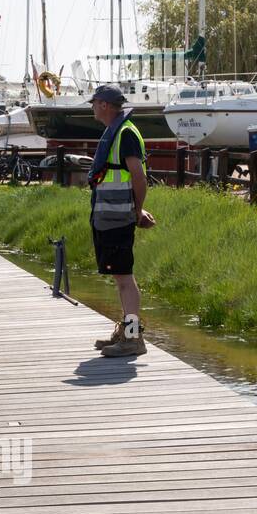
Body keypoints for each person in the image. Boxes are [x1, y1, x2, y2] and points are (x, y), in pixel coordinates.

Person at [87, 84, 156, 357]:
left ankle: (132, 338)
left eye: (94, 102)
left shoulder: (125, 133)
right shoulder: (114, 130)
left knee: (125, 278)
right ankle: (125, 332)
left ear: (104, 104)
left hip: (118, 216)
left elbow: (138, 177)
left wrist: (137, 212)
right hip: (108, 215)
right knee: (120, 277)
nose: (92, 107)